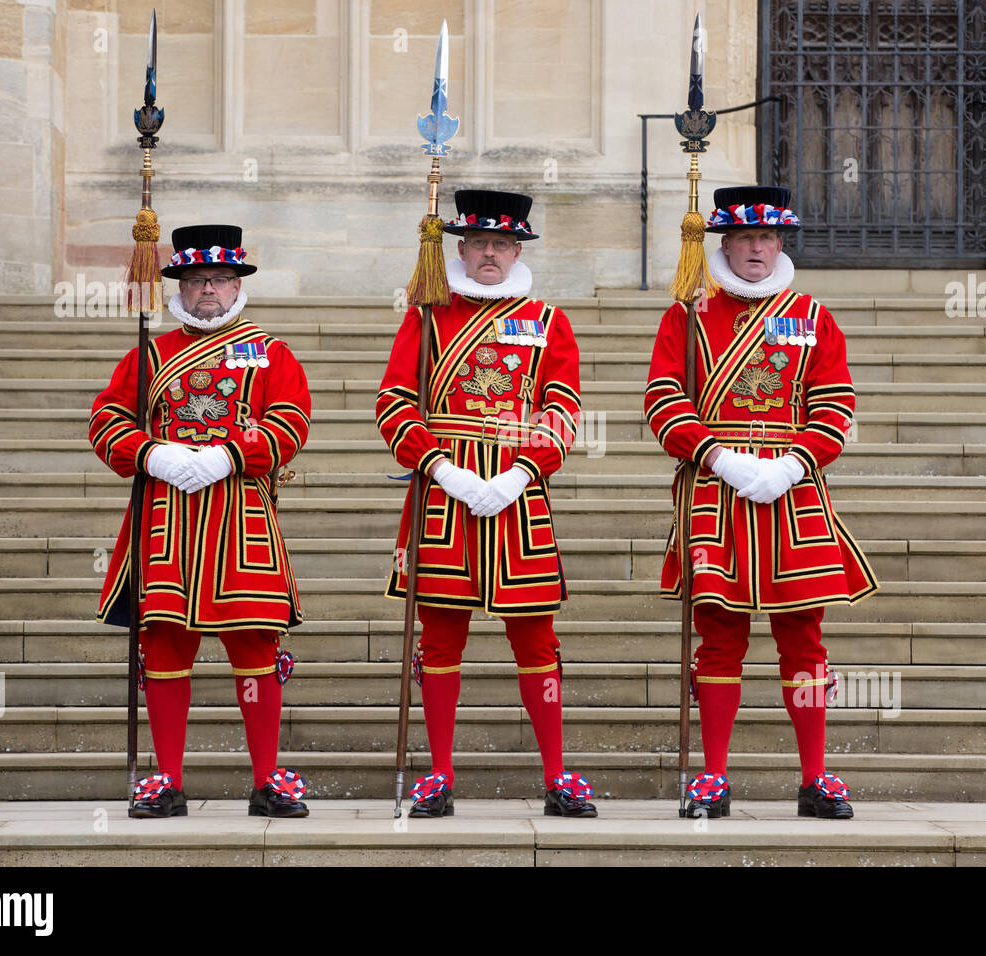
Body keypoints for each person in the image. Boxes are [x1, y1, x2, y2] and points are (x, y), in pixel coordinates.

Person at [645, 186, 880, 819]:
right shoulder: (688, 313)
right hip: (714, 490)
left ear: (781, 243)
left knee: (803, 636)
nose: (757, 248)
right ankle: (712, 778)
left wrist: (793, 463)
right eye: (746, 238)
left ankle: (815, 777)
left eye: (768, 238)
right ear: (723, 242)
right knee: (719, 637)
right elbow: (663, 401)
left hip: (790, 494)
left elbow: (836, 405)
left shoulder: (811, 314)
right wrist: (718, 458)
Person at [377, 190, 596, 818]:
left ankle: (557, 776)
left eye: (502, 244)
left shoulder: (549, 320)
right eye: (479, 244)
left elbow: (564, 408)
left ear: (517, 249)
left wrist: (524, 471)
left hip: (518, 501)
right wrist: (438, 465)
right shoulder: (425, 316)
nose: (491, 254)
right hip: (443, 496)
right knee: (440, 640)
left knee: (538, 641)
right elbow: (393, 402)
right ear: (461, 250)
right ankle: (438, 776)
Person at [90, 224, 312, 818]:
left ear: (237, 284)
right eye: (193, 280)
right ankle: (166, 779)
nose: (206, 290)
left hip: (242, 518)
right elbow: (106, 421)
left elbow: (291, 422)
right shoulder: (150, 353)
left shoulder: (271, 351)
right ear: (179, 289)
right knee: (164, 645)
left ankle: (267, 778)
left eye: (217, 279)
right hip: (166, 517)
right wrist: (150, 452)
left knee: (254, 644)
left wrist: (230, 455)